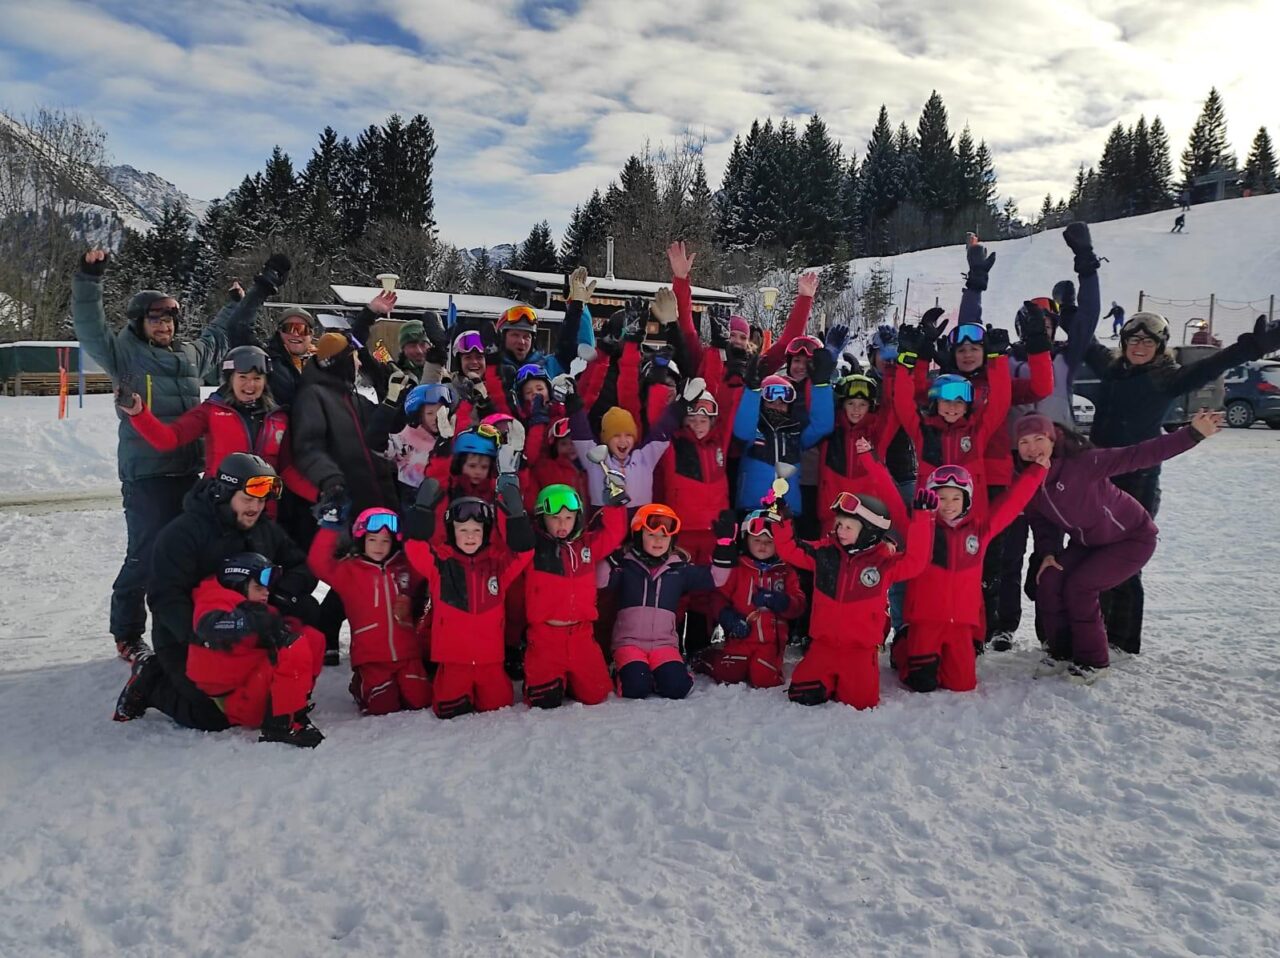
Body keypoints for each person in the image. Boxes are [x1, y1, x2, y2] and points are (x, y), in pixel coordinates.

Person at [73, 248, 284, 661]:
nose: (164, 326)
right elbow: (88, 326)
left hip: (191, 475)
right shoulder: (124, 354)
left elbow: (220, 334)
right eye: (155, 320)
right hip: (148, 475)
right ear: (140, 323)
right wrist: (89, 278)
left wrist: (236, 302)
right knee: (146, 553)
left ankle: (182, 629)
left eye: (169, 319)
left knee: (190, 557)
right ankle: (128, 633)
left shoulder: (188, 356)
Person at [1082, 313, 1280, 652]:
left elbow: (1211, 365)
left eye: (1148, 341)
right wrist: (1069, 310)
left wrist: (1252, 346)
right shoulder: (1112, 370)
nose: (1139, 346)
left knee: (1125, 557)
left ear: (1159, 347)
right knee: (1096, 553)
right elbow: (1086, 341)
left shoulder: (1168, 377)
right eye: (1133, 340)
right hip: (1102, 475)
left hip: (1139, 478)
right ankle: (1096, 627)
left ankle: (1122, 639)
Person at [113, 454, 321, 736]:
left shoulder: (264, 530)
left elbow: (302, 566)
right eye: (248, 500)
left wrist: (280, 596)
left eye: (261, 501)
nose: (255, 508)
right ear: (223, 494)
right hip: (190, 637)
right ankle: (151, 681)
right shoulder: (182, 535)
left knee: (270, 685)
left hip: (250, 629)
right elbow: (165, 599)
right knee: (214, 715)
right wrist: (203, 636)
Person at [1016, 410, 1224, 682]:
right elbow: (1040, 521)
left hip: (1131, 538)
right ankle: (1061, 651)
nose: (1032, 448)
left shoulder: (1083, 463)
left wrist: (1192, 434)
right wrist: (1049, 553)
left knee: (1080, 587)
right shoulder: (1029, 480)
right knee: (1050, 580)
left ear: (1053, 439)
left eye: (1039, 439)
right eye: (1024, 442)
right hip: (1088, 542)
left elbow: (1138, 454)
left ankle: (1093, 661)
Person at [776, 489, 937, 709]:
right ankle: (826, 679)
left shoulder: (884, 563)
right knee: (802, 695)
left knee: (861, 703)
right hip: (823, 646)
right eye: (839, 524)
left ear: (868, 531)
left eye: (848, 527)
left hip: (859, 651)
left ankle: (896, 651)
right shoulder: (824, 553)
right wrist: (782, 520)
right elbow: (790, 549)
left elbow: (916, 561)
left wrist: (922, 519)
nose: (840, 530)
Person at [896, 462, 1046, 692]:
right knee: (922, 683)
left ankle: (946, 657)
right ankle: (903, 645)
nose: (949, 505)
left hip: (961, 624)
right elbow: (892, 500)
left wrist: (1037, 472)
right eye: (942, 498)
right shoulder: (921, 527)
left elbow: (1011, 503)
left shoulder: (979, 532)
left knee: (962, 685)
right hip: (926, 622)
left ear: (967, 500)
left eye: (956, 498)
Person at [401, 468, 534, 718]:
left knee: (498, 706)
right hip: (453, 663)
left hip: (490, 662)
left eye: (476, 530)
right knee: (447, 710)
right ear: (452, 533)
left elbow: (524, 554)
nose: (470, 536)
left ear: (485, 534)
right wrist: (422, 511)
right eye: (463, 530)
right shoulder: (440, 566)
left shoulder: (498, 567)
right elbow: (414, 547)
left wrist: (517, 517)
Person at [118, 345, 309, 515]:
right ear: (230, 379)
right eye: (243, 377)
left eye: (257, 378)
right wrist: (138, 413)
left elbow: (287, 470)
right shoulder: (211, 411)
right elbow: (169, 439)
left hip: (261, 512)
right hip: (220, 510)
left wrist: (321, 494)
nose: (250, 385)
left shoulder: (278, 418)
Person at [186, 553, 325, 747]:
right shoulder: (217, 599)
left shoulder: (253, 605)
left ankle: (294, 705)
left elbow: (267, 629)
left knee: (312, 638)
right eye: (258, 588)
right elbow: (209, 625)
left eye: (266, 588)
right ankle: (279, 725)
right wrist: (245, 622)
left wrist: (281, 625)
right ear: (238, 584)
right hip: (233, 698)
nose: (266, 593)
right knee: (293, 645)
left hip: (249, 680)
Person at [604, 504, 737, 700]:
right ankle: (622, 670)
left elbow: (716, 579)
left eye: (664, 536)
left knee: (676, 688)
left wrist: (725, 546)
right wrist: (611, 555)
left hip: (663, 645)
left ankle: (661, 674)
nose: (659, 540)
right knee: (636, 688)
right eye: (652, 535)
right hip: (629, 644)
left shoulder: (679, 569)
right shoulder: (626, 566)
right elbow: (601, 581)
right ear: (639, 536)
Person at [308, 507, 430, 716]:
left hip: (407, 653)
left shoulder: (404, 567)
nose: (379, 546)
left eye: (385, 540)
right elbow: (318, 563)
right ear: (362, 539)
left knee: (420, 700)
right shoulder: (349, 571)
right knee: (382, 706)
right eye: (373, 539)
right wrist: (330, 528)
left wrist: (418, 533)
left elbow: (427, 564)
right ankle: (360, 685)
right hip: (372, 656)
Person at [522, 481, 628, 708]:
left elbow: (614, 533)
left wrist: (614, 507)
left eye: (568, 517)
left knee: (598, 696)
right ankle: (549, 678)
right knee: (544, 702)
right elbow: (510, 533)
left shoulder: (586, 546)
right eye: (555, 518)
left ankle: (571, 679)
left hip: (582, 635)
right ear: (542, 519)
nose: (562, 524)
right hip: (545, 637)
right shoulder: (533, 549)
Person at [700, 510, 805, 688]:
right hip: (741, 638)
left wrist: (781, 601)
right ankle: (706, 658)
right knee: (728, 676)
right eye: (757, 540)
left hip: (771, 644)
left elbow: (799, 604)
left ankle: (759, 666)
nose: (762, 546)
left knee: (764, 679)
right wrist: (729, 618)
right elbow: (718, 597)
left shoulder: (785, 571)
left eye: (769, 542)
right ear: (746, 539)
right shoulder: (738, 567)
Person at [733, 356, 836, 515]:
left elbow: (822, 426)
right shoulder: (754, 431)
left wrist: (821, 385)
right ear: (761, 401)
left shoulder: (795, 433)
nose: (778, 404)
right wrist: (752, 391)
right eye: (771, 398)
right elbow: (741, 429)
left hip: (787, 510)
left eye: (784, 399)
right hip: (753, 507)